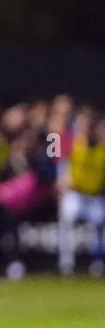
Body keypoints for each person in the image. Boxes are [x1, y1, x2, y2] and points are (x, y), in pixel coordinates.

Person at [58, 107, 105, 276]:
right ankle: (66, 263)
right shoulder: (71, 144)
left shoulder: (102, 148)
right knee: (68, 213)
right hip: (76, 194)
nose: (86, 128)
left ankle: (98, 262)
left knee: (99, 219)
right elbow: (59, 165)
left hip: (95, 196)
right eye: (83, 124)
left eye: (89, 125)